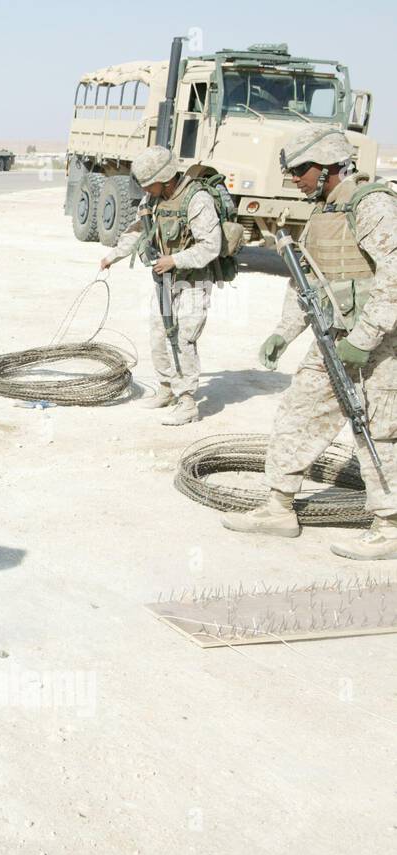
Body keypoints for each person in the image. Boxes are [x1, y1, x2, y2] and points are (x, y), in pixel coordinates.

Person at [222, 126, 397, 559]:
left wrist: (365, 337)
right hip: (332, 340)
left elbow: (394, 278)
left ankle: (389, 525)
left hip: (378, 344)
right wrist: (285, 330)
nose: (295, 179)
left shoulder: (372, 205)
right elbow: (309, 281)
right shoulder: (322, 213)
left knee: (377, 429)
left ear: (330, 167)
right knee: (297, 414)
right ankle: (279, 507)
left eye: (302, 170)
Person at [100, 145, 223, 426]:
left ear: (165, 179)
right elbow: (138, 230)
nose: (145, 189)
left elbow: (210, 246)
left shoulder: (197, 200)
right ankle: (167, 389)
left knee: (183, 338)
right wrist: (112, 257)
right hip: (165, 280)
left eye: (148, 183)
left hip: (194, 280)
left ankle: (188, 401)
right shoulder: (152, 201)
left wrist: (175, 259)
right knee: (159, 333)